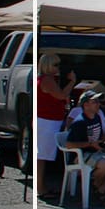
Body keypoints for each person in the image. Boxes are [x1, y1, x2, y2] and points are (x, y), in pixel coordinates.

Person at [64, 91, 105, 203]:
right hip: (81, 155)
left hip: (97, 152)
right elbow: (69, 145)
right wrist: (89, 144)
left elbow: (99, 139)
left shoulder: (97, 118)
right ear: (86, 105)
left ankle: (101, 189)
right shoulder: (79, 122)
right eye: (94, 102)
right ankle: (97, 187)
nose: (98, 104)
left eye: (98, 101)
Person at [35, 52, 75, 198]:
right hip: (47, 121)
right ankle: (40, 187)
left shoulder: (50, 79)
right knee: (42, 155)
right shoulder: (47, 80)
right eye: (55, 64)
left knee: (44, 155)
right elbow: (61, 95)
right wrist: (72, 82)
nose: (58, 67)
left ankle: (42, 186)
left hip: (50, 119)